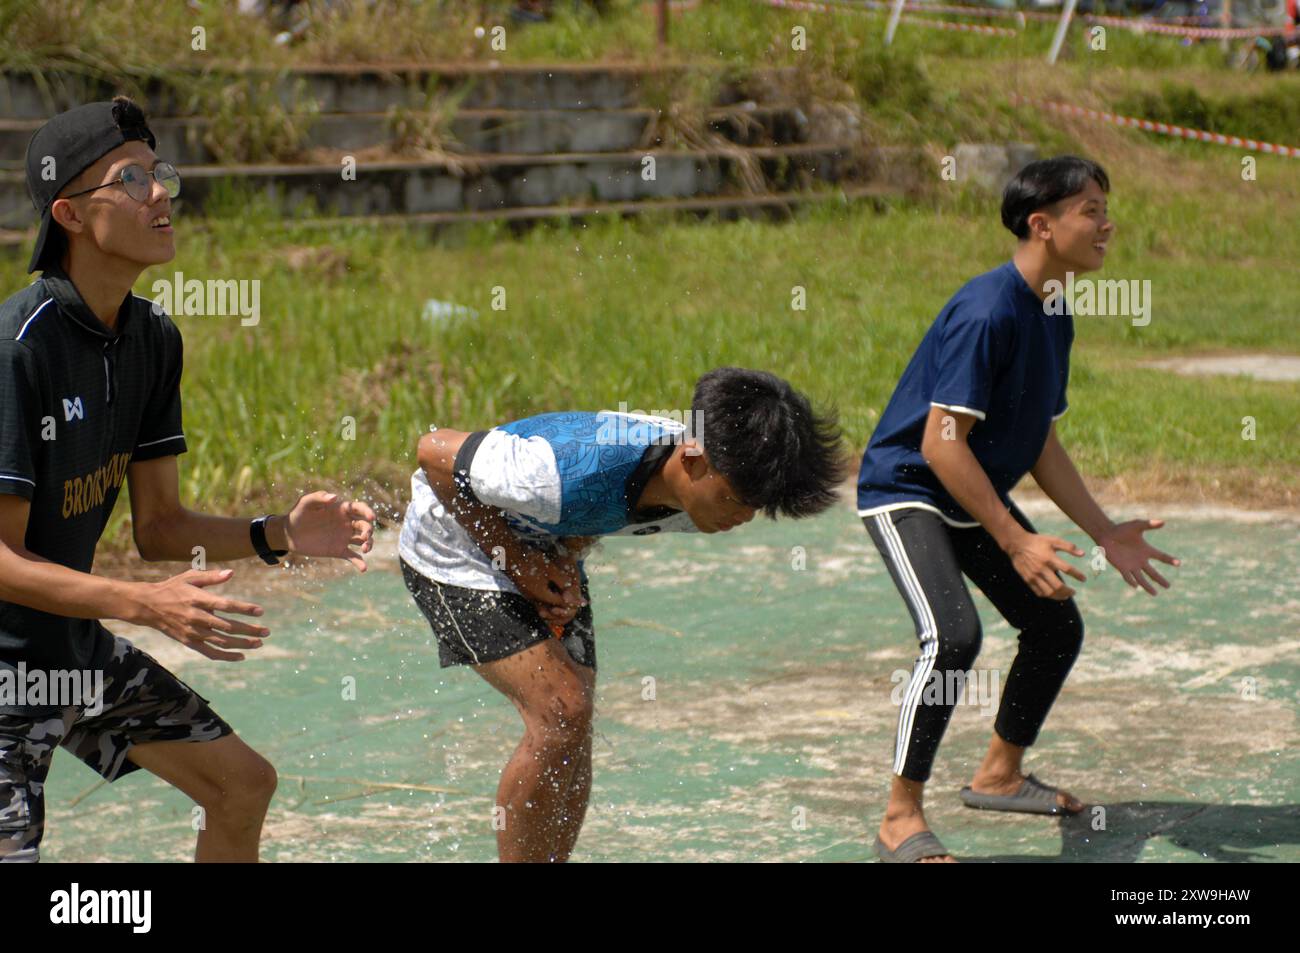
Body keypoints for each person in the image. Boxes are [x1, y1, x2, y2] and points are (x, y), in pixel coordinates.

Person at [0, 97, 376, 862]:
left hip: (70, 649)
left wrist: (279, 534)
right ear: (70, 214)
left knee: (242, 785)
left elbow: (160, 525)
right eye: (131, 179)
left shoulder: (152, 338)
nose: (161, 192)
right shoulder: (19, 350)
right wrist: (142, 603)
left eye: (159, 172)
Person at [856, 156, 1181, 863]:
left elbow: (1040, 440)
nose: (1106, 223)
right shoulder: (987, 309)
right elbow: (942, 446)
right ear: (1043, 224)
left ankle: (998, 775)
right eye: (1090, 209)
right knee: (953, 636)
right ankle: (898, 817)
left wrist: (1105, 530)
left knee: (1054, 623)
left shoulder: (1055, 309)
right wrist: (1012, 538)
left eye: (1105, 207)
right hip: (908, 488)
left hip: (965, 489)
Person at [399, 368, 848, 861]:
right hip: (453, 546)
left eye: (757, 509)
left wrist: (565, 552)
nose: (741, 518)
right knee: (560, 711)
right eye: (738, 501)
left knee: (572, 728)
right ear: (694, 458)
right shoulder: (557, 470)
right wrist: (521, 562)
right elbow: (433, 452)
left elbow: (604, 511)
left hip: (541, 547)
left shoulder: (702, 487)